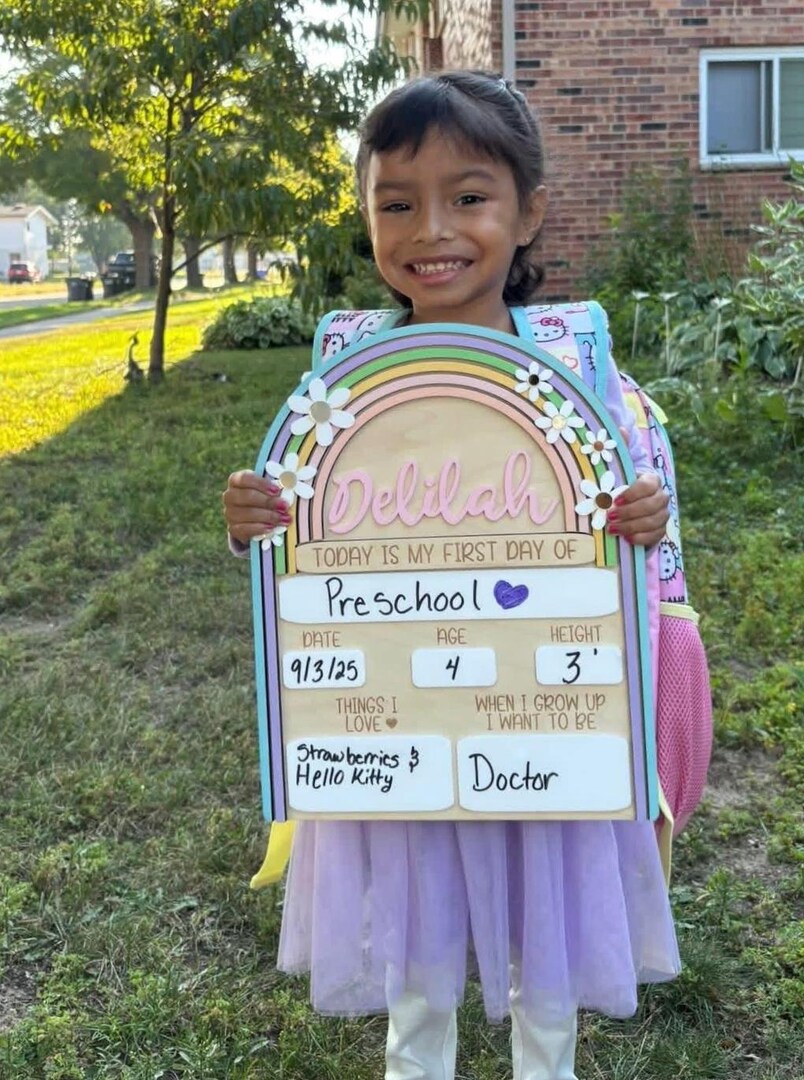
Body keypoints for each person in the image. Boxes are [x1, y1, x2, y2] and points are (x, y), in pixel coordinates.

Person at [222, 70, 679, 1080]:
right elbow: (302, 532)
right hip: (400, 734)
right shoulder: (348, 367)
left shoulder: (571, 361)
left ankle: (544, 1065)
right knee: (417, 955)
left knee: (546, 949)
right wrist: (257, 523)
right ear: (368, 219)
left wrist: (643, 522)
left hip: (550, 724)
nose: (432, 228)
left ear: (528, 215)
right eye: (397, 203)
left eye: (469, 197)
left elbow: (642, 507)